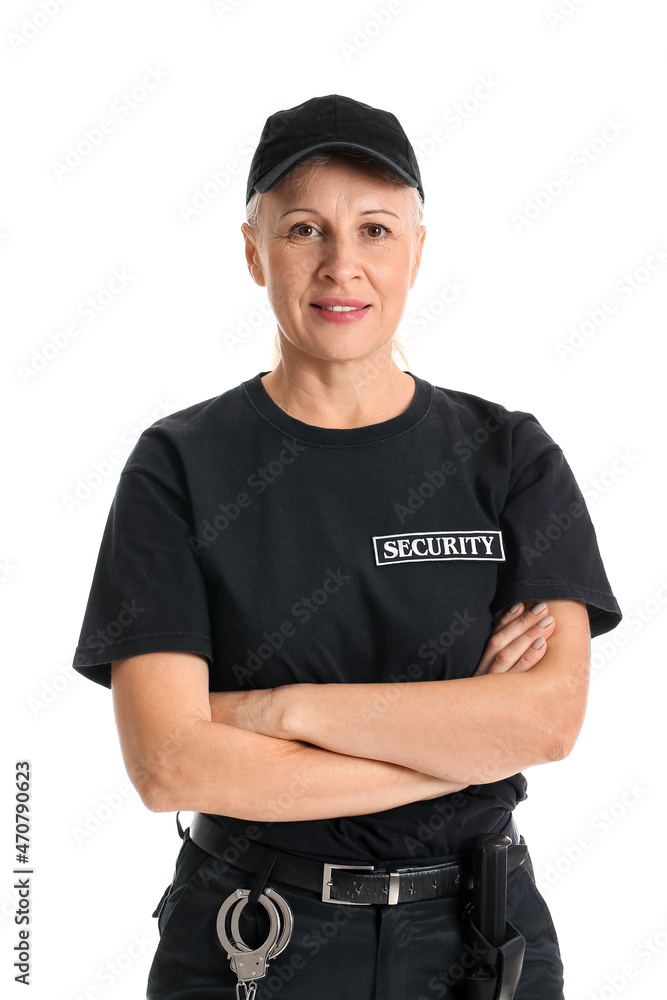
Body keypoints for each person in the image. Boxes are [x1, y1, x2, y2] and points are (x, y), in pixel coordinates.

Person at [72, 94, 622, 1000]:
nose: (342, 266)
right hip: (251, 939)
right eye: (303, 229)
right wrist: (458, 733)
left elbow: (543, 724)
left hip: (481, 947)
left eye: (374, 229)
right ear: (253, 250)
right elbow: (171, 763)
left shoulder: (509, 456)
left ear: (415, 251)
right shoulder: (179, 465)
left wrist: (271, 711)